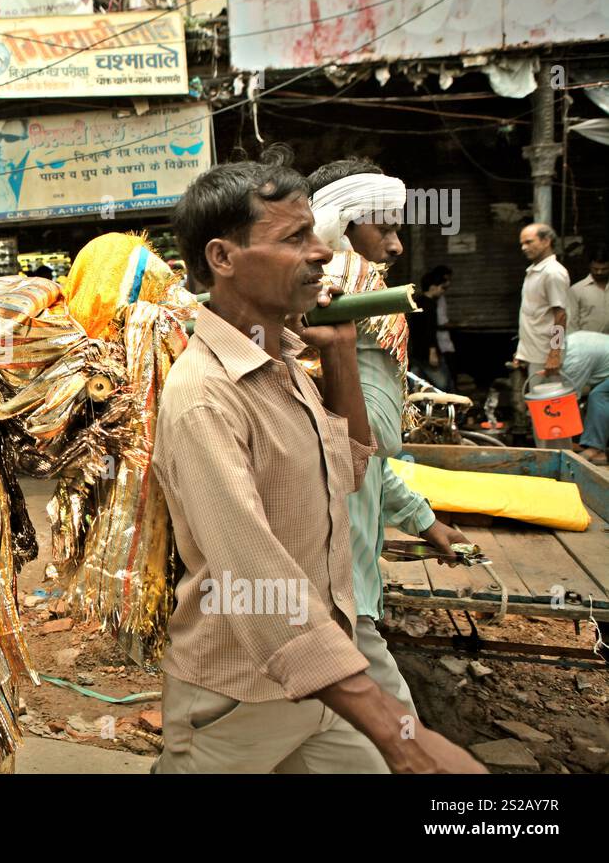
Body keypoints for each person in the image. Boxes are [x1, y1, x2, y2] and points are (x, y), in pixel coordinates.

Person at [153, 157, 483, 773]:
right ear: (223, 258)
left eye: (314, 233)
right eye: (293, 238)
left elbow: (353, 471)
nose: (322, 253)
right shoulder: (205, 396)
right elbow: (254, 576)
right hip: (238, 698)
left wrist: (339, 357)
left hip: (325, 677)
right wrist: (398, 734)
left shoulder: (281, 360)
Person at [308, 160, 471, 721]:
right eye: (385, 228)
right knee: (396, 731)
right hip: (336, 571)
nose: (397, 246)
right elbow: (372, 441)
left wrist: (424, 520)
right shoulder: (354, 291)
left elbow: (370, 460)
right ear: (342, 224)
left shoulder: (324, 293)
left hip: (339, 565)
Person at [514, 224, 570, 446]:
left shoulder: (553, 273)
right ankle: (548, 463)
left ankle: (558, 466)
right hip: (535, 354)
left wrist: (555, 353)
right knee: (541, 418)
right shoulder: (535, 271)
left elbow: (561, 315)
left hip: (547, 358)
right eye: (522, 243)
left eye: (529, 242)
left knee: (553, 420)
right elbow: (533, 316)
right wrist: (521, 352)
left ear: (546, 241)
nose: (523, 247)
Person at [562, 330, 609, 465]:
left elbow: (567, 399)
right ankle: (586, 442)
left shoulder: (574, 360)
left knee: (599, 395)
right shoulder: (561, 344)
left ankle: (595, 449)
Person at [408, 268, 449, 391]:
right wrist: (432, 352)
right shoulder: (430, 305)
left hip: (416, 349)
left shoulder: (416, 301)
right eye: (442, 288)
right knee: (444, 384)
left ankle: (415, 404)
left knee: (414, 381)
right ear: (433, 287)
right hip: (426, 352)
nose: (443, 292)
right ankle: (451, 406)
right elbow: (429, 329)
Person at [569, 246, 609, 334]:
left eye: (604, 269)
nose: (599, 272)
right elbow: (571, 323)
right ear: (590, 266)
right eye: (596, 269)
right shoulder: (577, 290)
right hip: (586, 344)